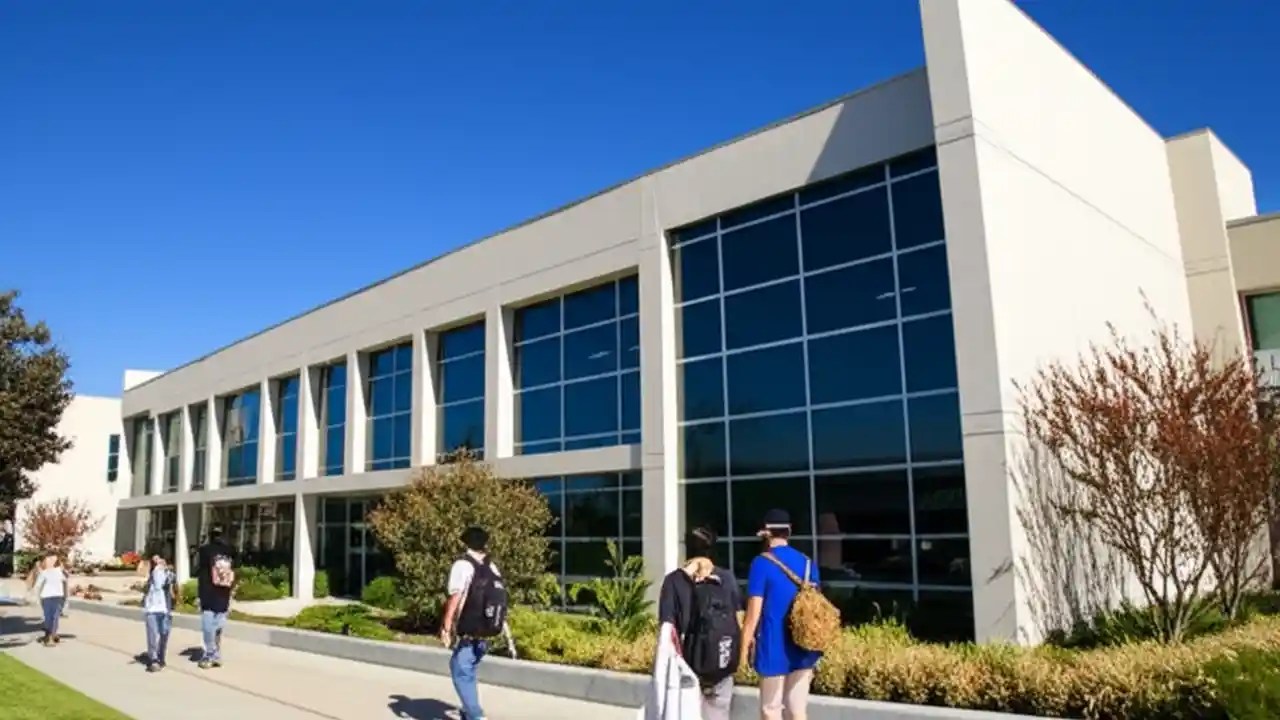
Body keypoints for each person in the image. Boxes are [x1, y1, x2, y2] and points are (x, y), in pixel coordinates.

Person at [741, 509, 823, 720]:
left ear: (765, 533)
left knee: (771, 709)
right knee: (797, 710)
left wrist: (742, 652)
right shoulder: (807, 563)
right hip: (804, 644)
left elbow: (753, 614)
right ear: (789, 531)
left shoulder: (761, 564)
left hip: (773, 645)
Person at [657, 526, 743, 720]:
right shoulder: (726, 578)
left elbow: (666, 631)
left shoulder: (674, 582)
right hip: (722, 665)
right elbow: (738, 620)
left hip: (687, 668)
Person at [439, 526, 514, 720]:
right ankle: (468, 709)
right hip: (488, 629)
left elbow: (455, 597)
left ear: (466, 543)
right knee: (469, 668)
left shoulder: (463, 565)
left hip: (470, 628)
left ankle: (475, 715)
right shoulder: (492, 566)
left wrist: (446, 626)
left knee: (460, 670)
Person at [194, 525, 235, 669]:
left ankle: (210, 654)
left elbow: (197, 570)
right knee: (218, 625)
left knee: (208, 626)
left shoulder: (204, 550)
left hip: (208, 593)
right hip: (223, 593)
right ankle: (216, 654)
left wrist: (198, 595)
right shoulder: (230, 551)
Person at [141, 554, 178, 672]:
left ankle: (161, 656)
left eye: (160, 559)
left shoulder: (170, 575)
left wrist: (167, 571)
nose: (158, 562)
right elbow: (157, 584)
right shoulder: (153, 576)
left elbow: (174, 588)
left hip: (165, 610)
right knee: (152, 635)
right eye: (155, 560)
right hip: (152, 610)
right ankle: (154, 660)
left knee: (164, 634)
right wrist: (158, 570)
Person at [33, 553, 67, 646]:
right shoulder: (49, 572)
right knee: (53, 617)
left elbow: (37, 586)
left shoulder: (54, 571)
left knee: (50, 616)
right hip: (52, 596)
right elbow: (64, 581)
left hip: (50, 596)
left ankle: (50, 635)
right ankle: (50, 635)